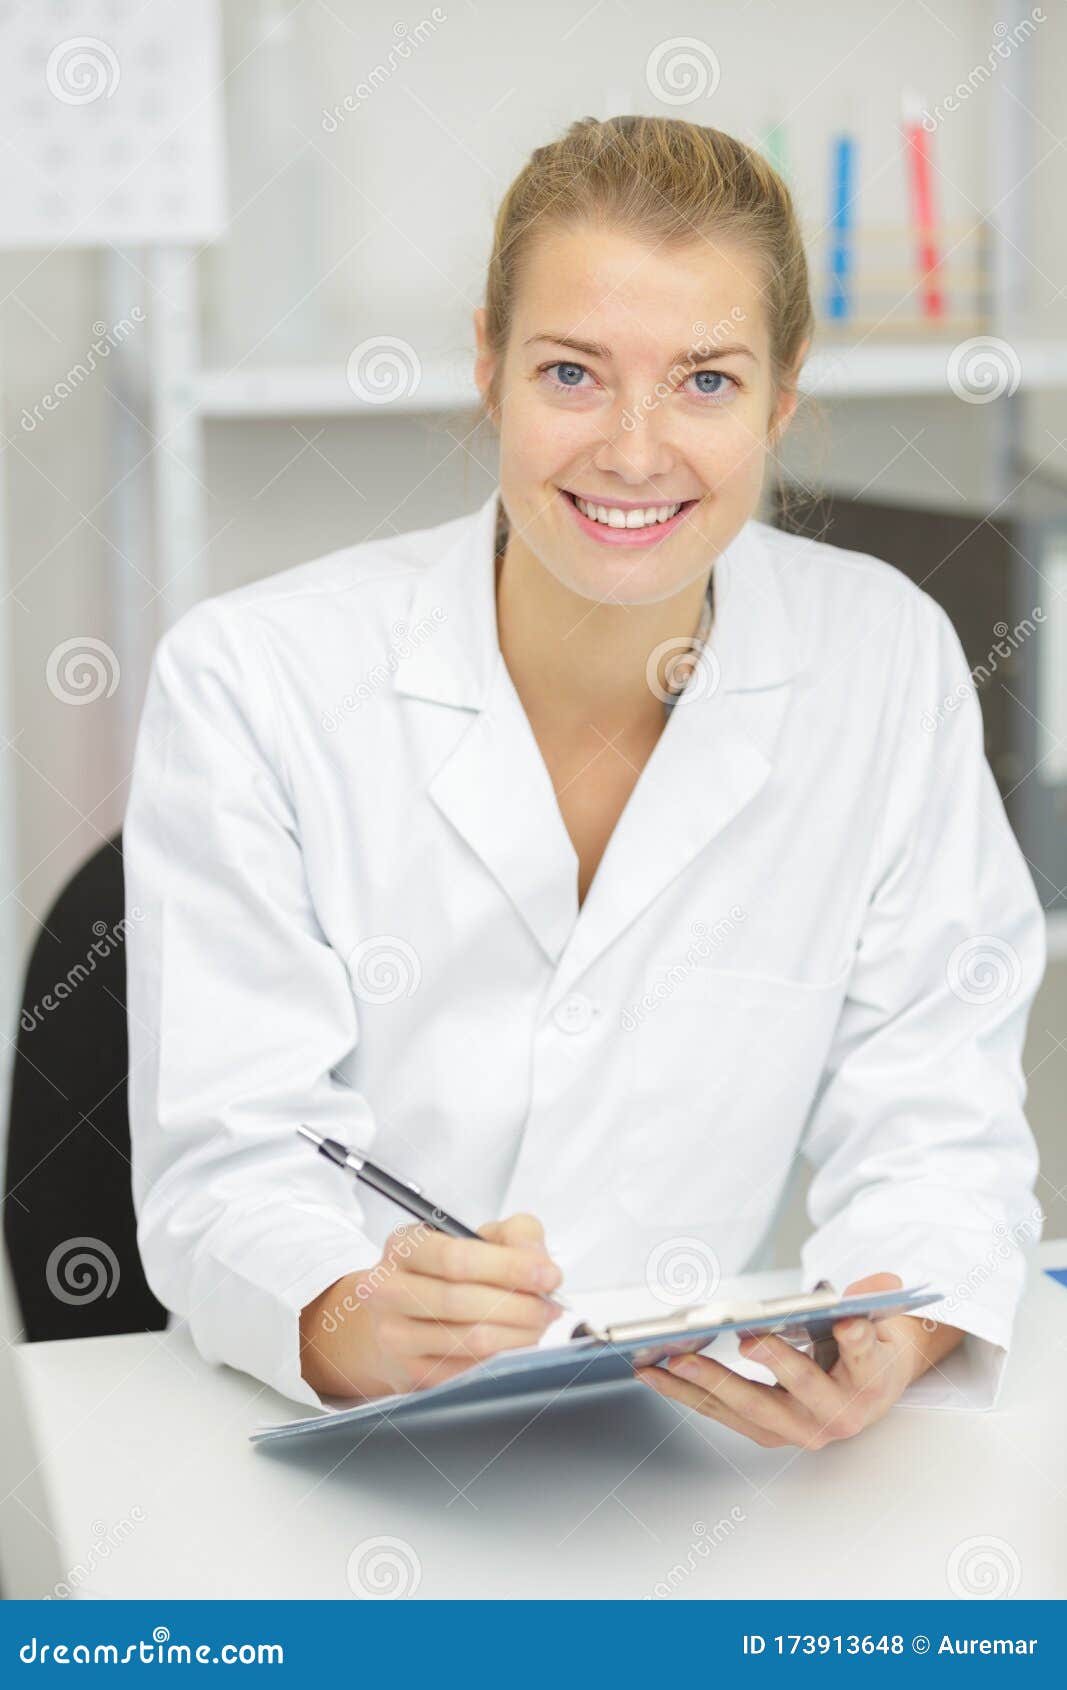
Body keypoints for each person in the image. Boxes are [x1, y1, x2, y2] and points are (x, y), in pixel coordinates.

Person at [124, 116, 1044, 1452]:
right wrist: (339, 1309)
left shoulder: (882, 655)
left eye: (707, 382)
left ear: (784, 400)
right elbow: (225, 1160)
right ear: (489, 364)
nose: (632, 447)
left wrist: (895, 1323)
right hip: (325, 1453)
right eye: (572, 372)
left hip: (687, 1451)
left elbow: (937, 1109)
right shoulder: (252, 680)